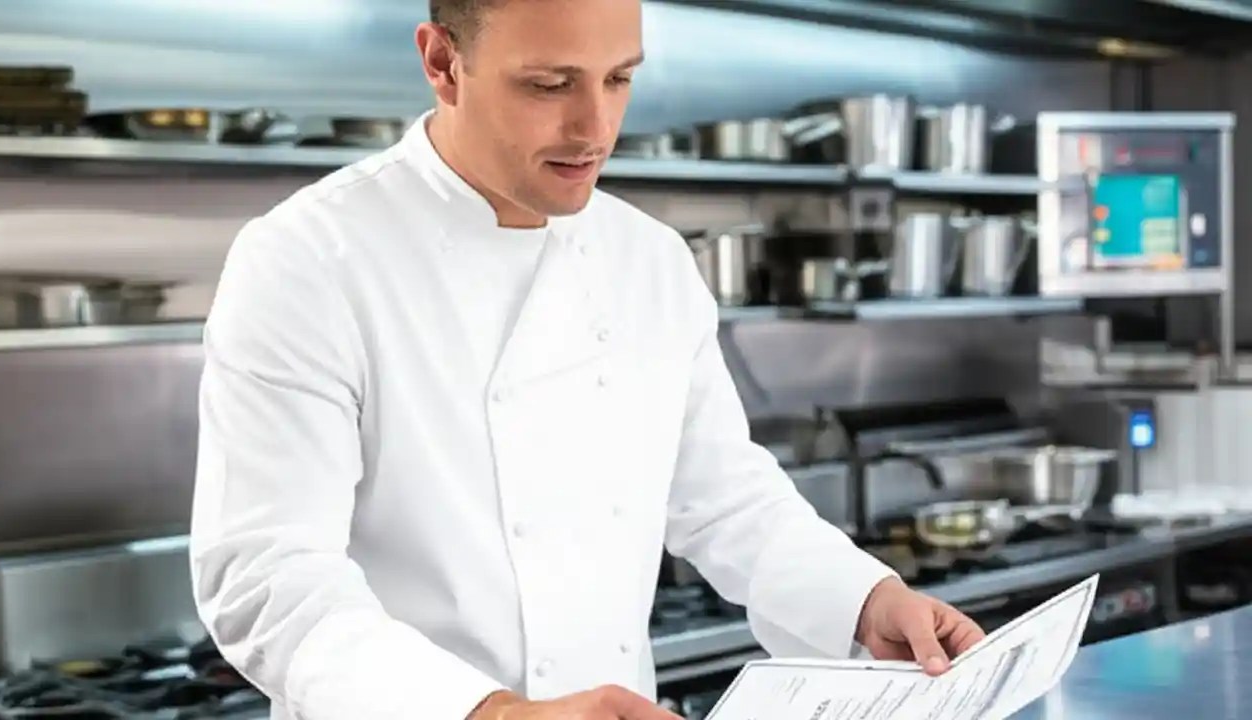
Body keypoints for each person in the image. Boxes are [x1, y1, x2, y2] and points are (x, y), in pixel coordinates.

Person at [188, 0, 986, 717]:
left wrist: (865, 600)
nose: (595, 128)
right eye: (549, 84)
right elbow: (268, 577)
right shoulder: (309, 259)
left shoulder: (650, 259)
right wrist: (492, 714)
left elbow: (724, 497)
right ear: (442, 63)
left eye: (618, 79)